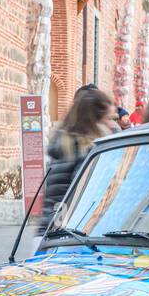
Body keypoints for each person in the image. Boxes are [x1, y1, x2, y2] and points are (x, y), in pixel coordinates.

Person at [38, 86, 114, 234]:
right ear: (97, 120)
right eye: (109, 118)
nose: (112, 124)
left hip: (49, 228)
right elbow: (87, 195)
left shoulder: (63, 142)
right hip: (73, 233)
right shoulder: (89, 150)